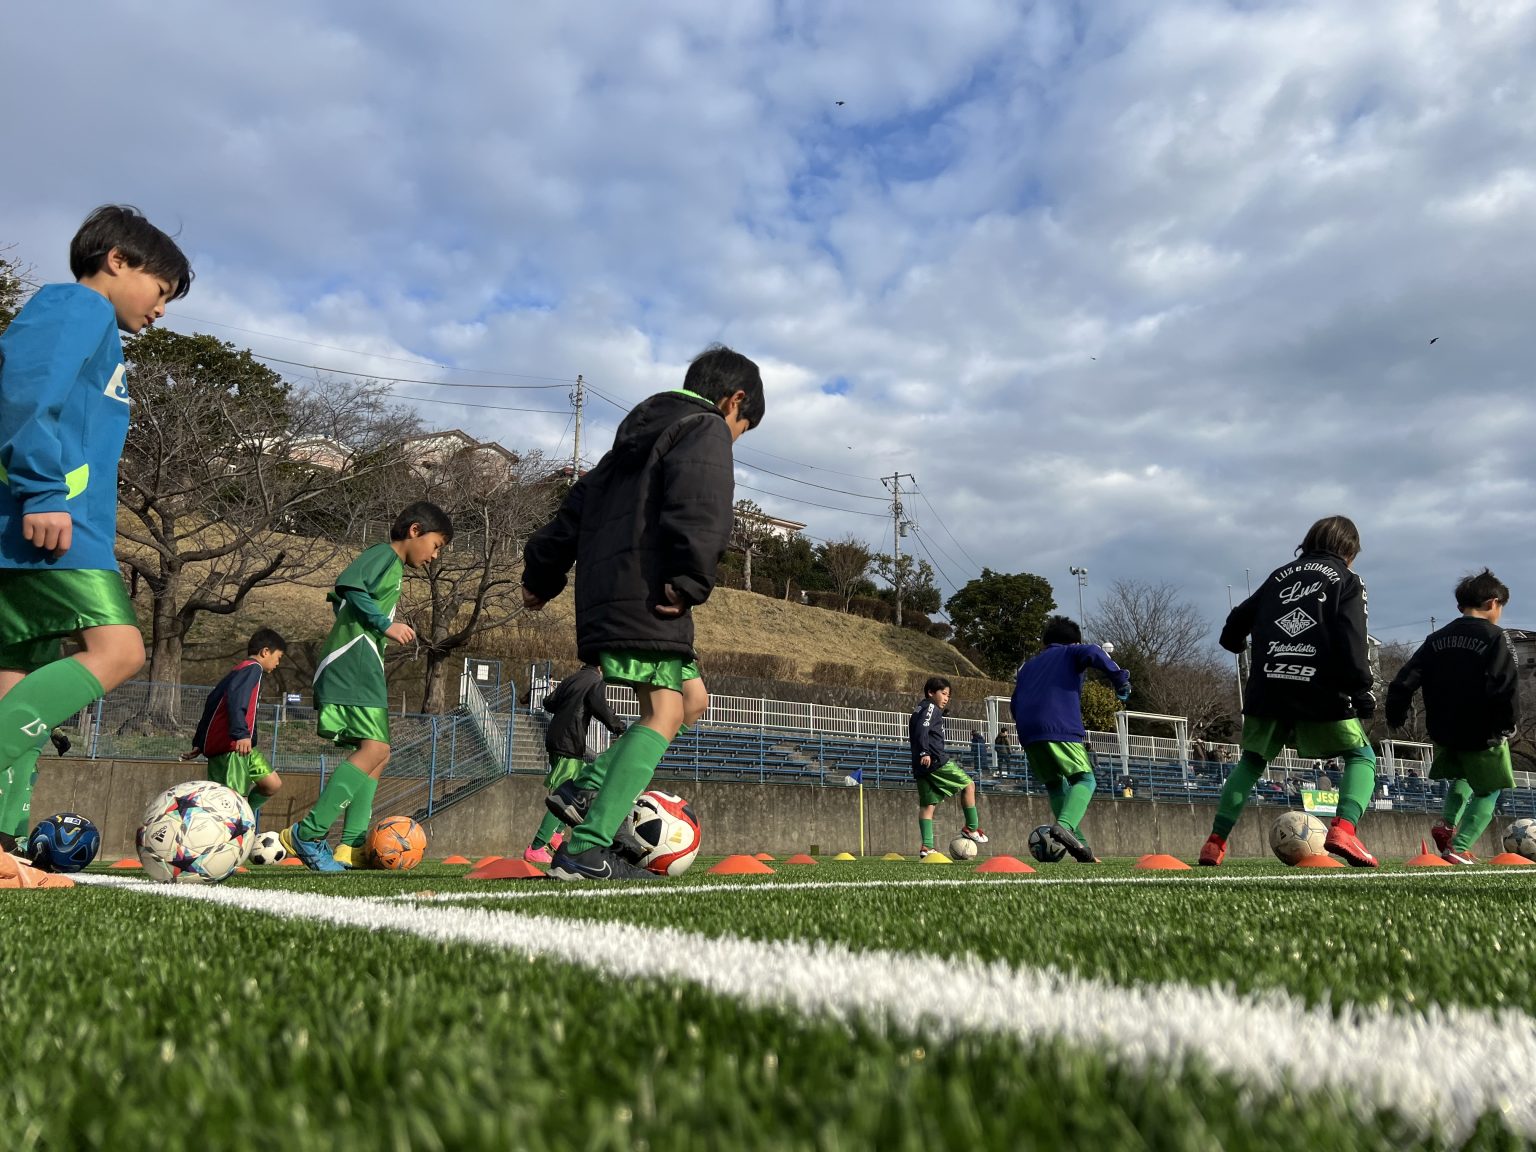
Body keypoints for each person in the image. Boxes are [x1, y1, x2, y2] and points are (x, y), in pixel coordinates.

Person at [0, 205, 192, 885]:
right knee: (120, 650)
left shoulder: (92, 327)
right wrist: (43, 490)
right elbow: (22, 391)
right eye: (162, 291)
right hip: (51, 523)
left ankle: (2, 846)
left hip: (35, 526)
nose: (161, 310)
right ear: (117, 259)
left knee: (16, 677)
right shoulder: (74, 307)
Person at [522, 344, 764, 881]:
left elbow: (571, 513)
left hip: (613, 594)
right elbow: (702, 505)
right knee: (664, 713)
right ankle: (585, 846)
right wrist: (691, 578)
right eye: (742, 428)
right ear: (734, 400)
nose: (735, 440)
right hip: (651, 593)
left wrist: (541, 575)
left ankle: (582, 790)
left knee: (692, 701)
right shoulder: (703, 430)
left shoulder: (625, 450)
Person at [281, 502, 453, 871]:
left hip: (363, 660)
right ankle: (309, 834)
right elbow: (348, 584)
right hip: (352, 659)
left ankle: (352, 846)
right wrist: (382, 623)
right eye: (436, 545)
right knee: (374, 748)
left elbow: (342, 599)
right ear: (415, 531)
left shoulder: (390, 567)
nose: (434, 556)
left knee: (380, 752)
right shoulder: (383, 555)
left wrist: (367, 621)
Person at [1201, 515, 1379, 867]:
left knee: (1252, 761)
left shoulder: (1279, 575)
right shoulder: (1347, 579)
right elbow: (1352, 636)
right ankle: (1344, 829)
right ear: (1349, 550)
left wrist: (1234, 642)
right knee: (1361, 757)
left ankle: (1214, 842)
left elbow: (1237, 619)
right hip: (1320, 686)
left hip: (1268, 686)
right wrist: (1362, 691)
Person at [1385, 569, 1518, 865]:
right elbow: (1504, 685)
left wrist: (1396, 712)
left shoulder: (1436, 639)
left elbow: (1405, 679)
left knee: (1463, 776)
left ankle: (1446, 824)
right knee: (1492, 787)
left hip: (1444, 728)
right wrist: (1507, 723)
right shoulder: (1497, 638)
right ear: (1493, 603)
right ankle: (1459, 845)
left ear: (1460, 606)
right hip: (1483, 728)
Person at [1010, 616, 1130, 863]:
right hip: (1059, 726)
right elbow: (1094, 651)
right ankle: (1065, 825)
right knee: (1085, 779)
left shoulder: (1028, 666)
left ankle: (1081, 846)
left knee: (1055, 785)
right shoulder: (1070, 653)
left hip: (1028, 732)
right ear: (1073, 642)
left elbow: (1014, 700)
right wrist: (1120, 679)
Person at [523, 664, 627, 865]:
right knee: (564, 797)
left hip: (555, 738)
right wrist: (619, 727)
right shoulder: (594, 681)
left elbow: (549, 703)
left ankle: (557, 833)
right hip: (569, 742)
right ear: (600, 666)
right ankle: (536, 847)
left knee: (575, 788)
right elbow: (601, 708)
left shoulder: (571, 679)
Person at [182, 628, 288, 816]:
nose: (278, 663)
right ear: (265, 652)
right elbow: (237, 699)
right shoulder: (252, 669)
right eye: (278, 657)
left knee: (272, 784)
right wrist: (241, 733)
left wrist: (200, 742)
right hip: (233, 747)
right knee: (232, 800)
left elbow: (213, 702)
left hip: (243, 746)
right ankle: (231, 832)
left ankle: (244, 818)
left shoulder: (239, 670)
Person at [908, 676, 987, 858]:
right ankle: (971, 828)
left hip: (921, 766)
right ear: (930, 693)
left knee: (928, 805)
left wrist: (921, 754)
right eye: (943, 694)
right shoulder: (930, 707)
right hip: (934, 760)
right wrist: (924, 752)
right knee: (969, 785)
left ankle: (927, 847)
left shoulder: (919, 708)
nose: (946, 698)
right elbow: (922, 728)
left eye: (948, 695)